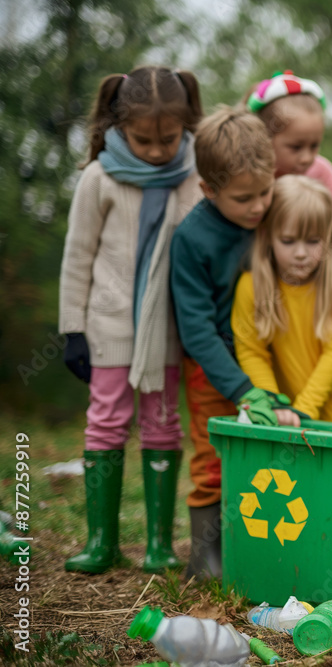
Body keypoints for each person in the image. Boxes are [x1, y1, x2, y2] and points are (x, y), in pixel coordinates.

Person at [59, 66, 203, 575]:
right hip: (109, 326)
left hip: (167, 329)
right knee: (106, 423)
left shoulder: (193, 177)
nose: (159, 151)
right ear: (119, 127)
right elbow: (78, 257)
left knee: (163, 425)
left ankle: (160, 545)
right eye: (145, 140)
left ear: (186, 128)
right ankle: (102, 542)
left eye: (170, 139)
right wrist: (72, 327)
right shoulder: (100, 177)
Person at [170, 106, 284, 580]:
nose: (258, 206)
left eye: (265, 191)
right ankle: (206, 559)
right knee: (214, 456)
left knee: (271, 459)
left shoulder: (272, 214)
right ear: (209, 190)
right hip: (215, 371)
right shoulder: (193, 239)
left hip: (270, 362)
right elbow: (195, 328)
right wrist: (240, 388)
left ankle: (266, 544)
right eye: (244, 198)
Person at [232, 175, 332, 428]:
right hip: (292, 417)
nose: (301, 253)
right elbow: (251, 351)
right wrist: (274, 404)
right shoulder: (251, 287)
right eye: (288, 241)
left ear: (328, 238)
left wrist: (304, 409)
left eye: (313, 241)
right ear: (267, 235)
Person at [247, 70, 332, 267]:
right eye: (295, 147)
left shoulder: (323, 173)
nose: (307, 158)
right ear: (264, 138)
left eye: (314, 146)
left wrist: (313, 254)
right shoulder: (254, 179)